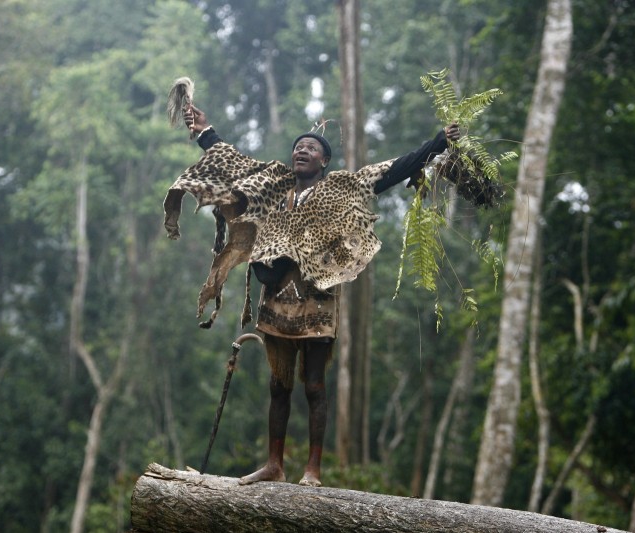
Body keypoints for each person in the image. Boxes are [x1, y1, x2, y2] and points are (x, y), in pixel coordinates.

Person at [176, 104, 460, 487]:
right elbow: (232, 164)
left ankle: (313, 469)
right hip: (276, 296)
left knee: (314, 385)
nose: (301, 151)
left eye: (310, 148)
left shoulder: (341, 187)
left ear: (324, 160)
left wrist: (439, 142)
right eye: (298, 147)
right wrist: (206, 130)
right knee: (279, 385)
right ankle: (274, 465)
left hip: (317, 299)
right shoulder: (274, 183)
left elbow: (395, 169)